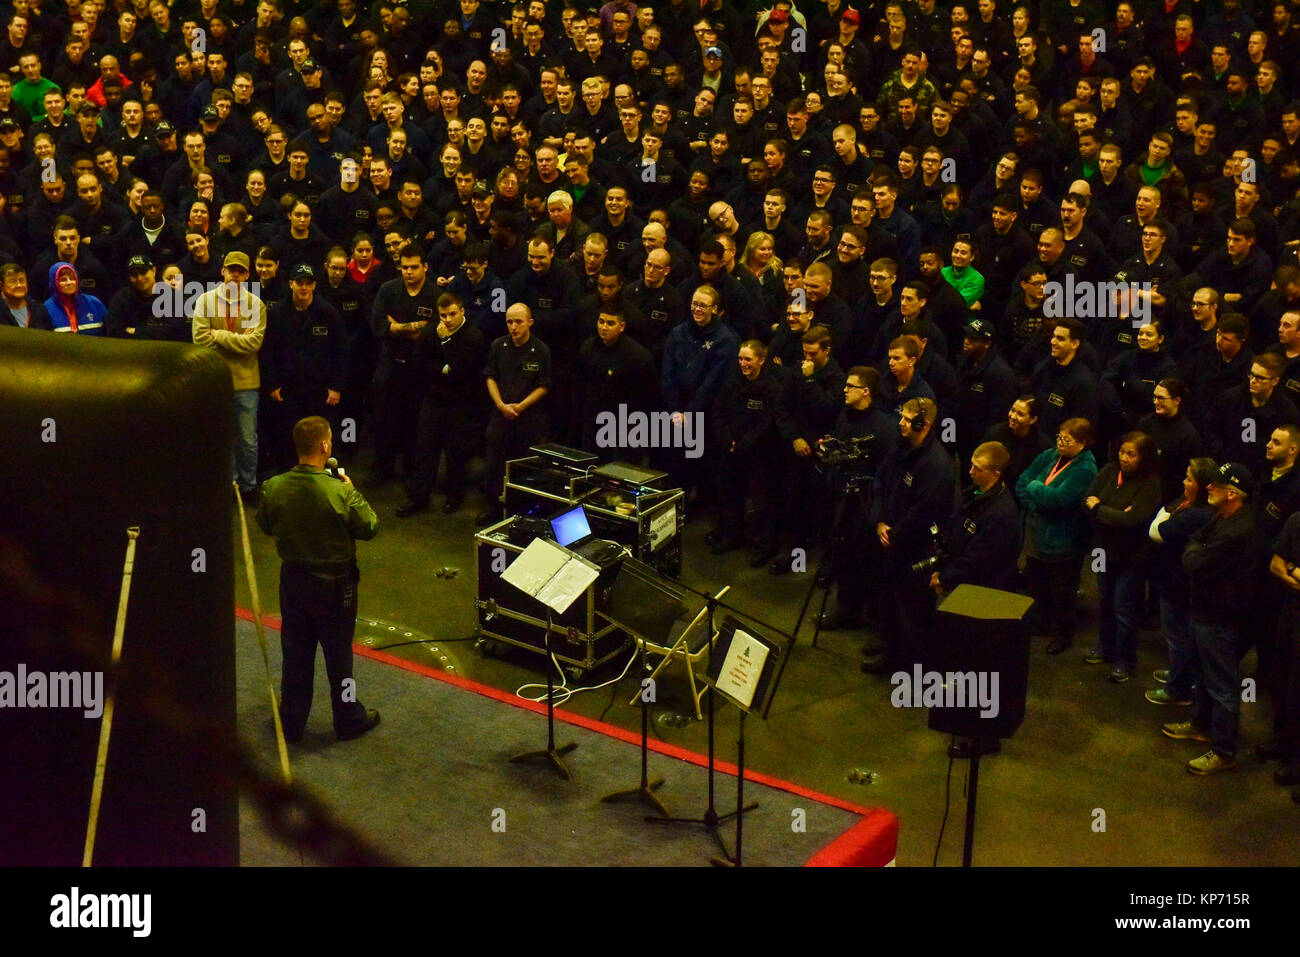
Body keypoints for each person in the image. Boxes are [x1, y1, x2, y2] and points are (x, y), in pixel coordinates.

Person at [256, 415, 381, 742]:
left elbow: (266, 525)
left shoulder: (274, 487)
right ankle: (348, 717)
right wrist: (352, 492)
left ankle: (291, 721)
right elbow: (369, 527)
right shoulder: (340, 492)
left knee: (295, 652)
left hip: (294, 581)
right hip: (336, 587)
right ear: (326, 445)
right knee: (339, 658)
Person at [1163, 462, 1259, 775]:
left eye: (1215, 484)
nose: (1208, 487)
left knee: (1222, 687)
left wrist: (1195, 550)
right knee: (1202, 674)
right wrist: (1196, 548)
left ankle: (1223, 750)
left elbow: (1192, 561)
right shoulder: (1223, 516)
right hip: (1205, 610)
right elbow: (1196, 542)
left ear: (1232, 493)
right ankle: (1200, 725)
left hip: (1220, 619)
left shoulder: (1237, 531)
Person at [866, 396, 957, 673]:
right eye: (901, 417)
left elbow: (924, 512)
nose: (901, 423)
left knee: (914, 614)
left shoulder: (936, 464)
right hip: (891, 540)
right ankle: (892, 655)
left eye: (908, 419)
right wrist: (880, 520)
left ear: (924, 423)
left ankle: (918, 673)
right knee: (891, 606)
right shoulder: (901, 447)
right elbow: (880, 481)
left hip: (915, 549)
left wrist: (895, 534)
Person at [1082, 431, 1163, 682]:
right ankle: (1106, 647)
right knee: (1104, 602)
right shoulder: (1108, 471)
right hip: (1103, 550)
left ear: (1143, 458)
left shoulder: (1151, 485)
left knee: (1123, 608)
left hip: (1132, 557)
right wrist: (1112, 512)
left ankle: (1126, 660)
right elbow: (1086, 500)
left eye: (1131, 454)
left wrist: (1099, 507)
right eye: (1122, 452)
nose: (1124, 458)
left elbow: (1132, 520)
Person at [399, 291, 488, 517]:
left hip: (461, 404)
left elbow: (461, 369)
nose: (447, 320)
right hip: (433, 399)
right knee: (425, 451)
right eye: (443, 315)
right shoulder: (432, 331)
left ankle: (454, 496)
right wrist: (443, 368)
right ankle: (419, 496)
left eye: (452, 314)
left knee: (456, 453)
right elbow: (419, 362)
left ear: (462, 311)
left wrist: (444, 344)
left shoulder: (474, 336)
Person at [1017, 417, 1100, 655]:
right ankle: (1042, 623)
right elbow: (1022, 481)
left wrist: (1036, 488)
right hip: (1036, 538)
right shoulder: (1050, 455)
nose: (1061, 443)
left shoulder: (1085, 469)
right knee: (1036, 585)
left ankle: (1063, 635)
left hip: (1064, 543)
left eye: (1067, 439)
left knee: (1062, 593)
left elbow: (1057, 500)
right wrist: (1036, 503)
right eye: (1059, 437)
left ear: (1083, 443)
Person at [191, 250, 268, 503]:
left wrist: (220, 335)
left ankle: (248, 485)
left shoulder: (256, 305)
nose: (235, 275)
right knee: (223, 438)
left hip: (247, 382)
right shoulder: (204, 301)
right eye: (231, 269)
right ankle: (230, 484)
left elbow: (254, 343)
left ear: (247, 275)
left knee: (247, 440)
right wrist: (237, 340)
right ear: (222, 271)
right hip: (217, 380)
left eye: (241, 271)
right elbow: (201, 341)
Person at [1146, 457, 1218, 706]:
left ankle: (1178, 689)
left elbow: (1156, 531)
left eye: (1189, 479)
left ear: (1203, 485)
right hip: (1173, 579)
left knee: (1178, 637)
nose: (1183, 481)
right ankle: (1180, 673)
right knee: (1180, 637)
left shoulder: (1196, 514)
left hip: (1177, 584)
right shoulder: (1190, 505)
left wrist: (1164, 514)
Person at [479, 302, 551, 525]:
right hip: (500, 415)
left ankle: (521, 513)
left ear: (530, 322)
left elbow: (544, 386)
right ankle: (493, 508)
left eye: (518, 321)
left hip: (527, 418)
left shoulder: (541, 351)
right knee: (493, 465)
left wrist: (520, 406)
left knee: (524, 467)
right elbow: (490, 377)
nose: (513, 326)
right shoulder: (498, 346)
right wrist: (501, 405)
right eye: (509, 321)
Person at [932, 441, 1022, 596]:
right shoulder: (973, 493)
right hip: (960, 576)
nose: (970, 472)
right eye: (972, 464)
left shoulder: (1001, 515)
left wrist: (945, 579)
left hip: (982, 589)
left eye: (978, 469)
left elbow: (978, 558)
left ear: (995, 474)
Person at [41, 261, 106, 335]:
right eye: (63, 280)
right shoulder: (46, 309)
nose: (69, 283)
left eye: (72, 278)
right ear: (54, 283)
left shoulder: (94, 303)